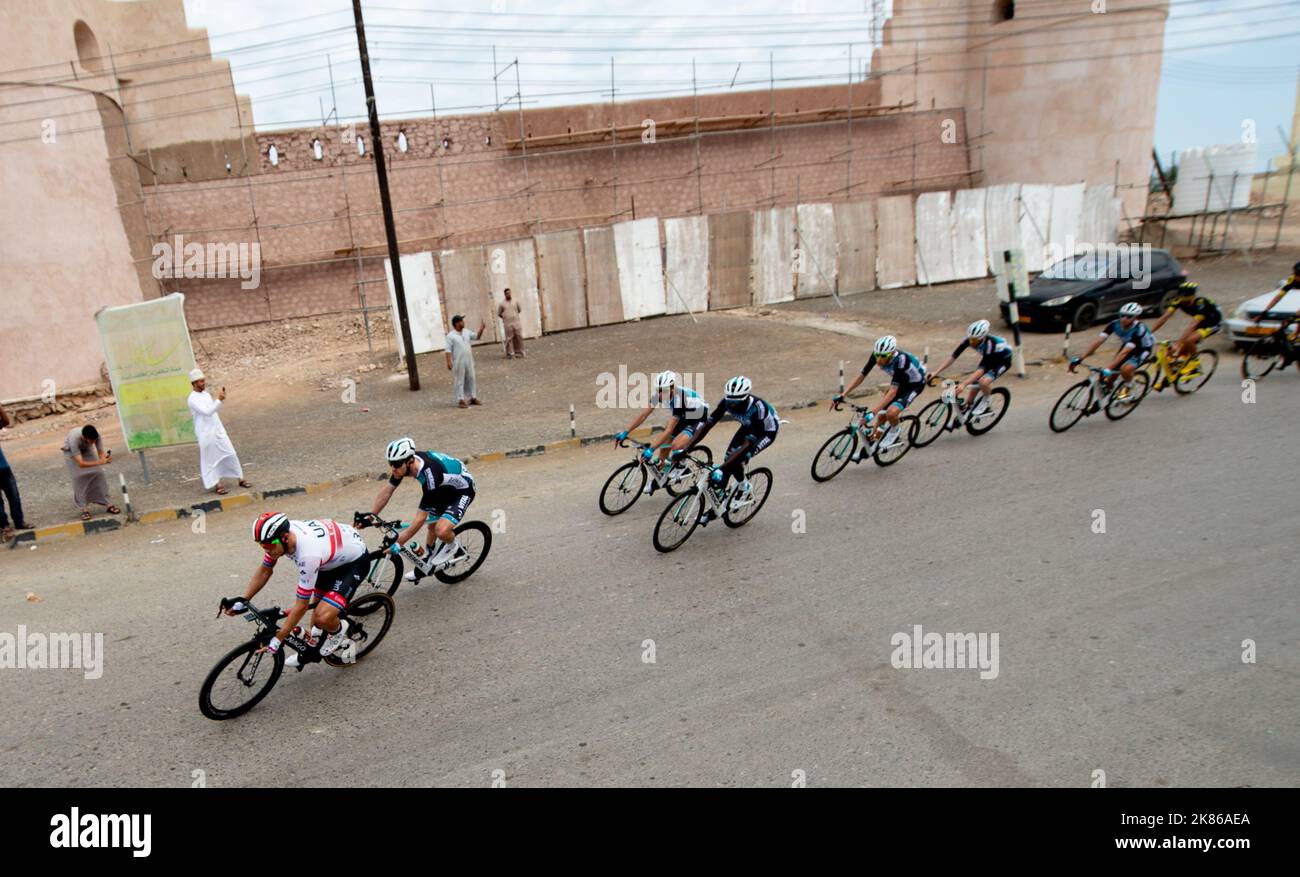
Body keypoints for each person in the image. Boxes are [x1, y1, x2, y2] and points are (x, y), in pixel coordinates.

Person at [229, 512, 370, 665]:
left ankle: (338, 630)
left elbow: (301, 605)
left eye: (269, 545)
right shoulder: (279, 537)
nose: (266, 550)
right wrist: (244, 600)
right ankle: (310, 650)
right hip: (329, 559)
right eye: (262, 545)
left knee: (322, 617)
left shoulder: (307, 555)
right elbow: (265, 570)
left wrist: (278, 639)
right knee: (316, 620)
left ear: (285, 538)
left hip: (353, 562)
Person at [363, 437, 475, 582]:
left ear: (409, 461)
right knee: (431, 526)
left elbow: (420, 518)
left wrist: (399, 542)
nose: (393, 468)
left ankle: (453, 545)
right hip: (443, 488)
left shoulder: (430, 476)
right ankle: (428, 559)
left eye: (396, 464)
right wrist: (372, 515)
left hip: (462, 490)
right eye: (391, 464)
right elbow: (388, 491)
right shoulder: (404, 465)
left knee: (440, 530)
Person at [684, 376, 777, 516]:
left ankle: (744, 487)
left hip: (764, 431)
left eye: (736, 401)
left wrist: (721, 469)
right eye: (730, 400)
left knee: (736, 460)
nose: (732, 404)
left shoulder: (757, 409)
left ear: (746, 397)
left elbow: (747, 445)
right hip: (748, 426)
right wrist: (687, 448)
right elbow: (707, 425)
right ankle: (721, 500)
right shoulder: (726, 402)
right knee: (728, 459)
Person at [615, 371, 710, 496]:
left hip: (698, 416)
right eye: (658, 390)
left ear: (672, 387)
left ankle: (682, 466)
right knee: (664, 449)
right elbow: (644, 415)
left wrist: (651, 449)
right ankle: (661, 478)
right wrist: (626, 431)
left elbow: (669, 430)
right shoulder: (658, 395)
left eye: (664, 390)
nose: (661, 393)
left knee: (676, 445)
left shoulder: (679, 399)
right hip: (684, 415)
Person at [834, 335, 926, 462]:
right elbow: (862, 375)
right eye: (877, 355)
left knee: (891, 412)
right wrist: (843, 394)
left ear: (892, 353)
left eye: (883, 357)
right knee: (881, 417)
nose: (879, 359)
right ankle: (870, 447)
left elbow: (892, 392)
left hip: (914, 385)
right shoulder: (878, 354)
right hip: (900, 383)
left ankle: (895, 430)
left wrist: (872, 412)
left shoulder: (901, 360)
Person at [926, 320, 1012, 425]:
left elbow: (982, 369)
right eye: (971, 339)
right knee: (974, 384)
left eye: (975, 340)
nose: (972, 342)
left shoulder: (991, 344)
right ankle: (968, 409)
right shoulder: (970, 339)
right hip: (989, 359)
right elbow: (953, 357)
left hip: (1002, 361)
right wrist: (936, 372)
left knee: (983, 382)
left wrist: (963, 384)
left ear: (983, 337)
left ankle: (986, 401)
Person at [187, 368, 252, 496]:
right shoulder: (192, 399)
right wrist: (219, 400)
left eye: (203, 381)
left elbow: (213, 411)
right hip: (206, 434)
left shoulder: (205, 395)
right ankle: (218, 485)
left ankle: (240, 478)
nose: (203, 383)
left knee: (230, 453)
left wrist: (218, 401)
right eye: (200, 382)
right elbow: (207, 412)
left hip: (217, 430)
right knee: (211, 460)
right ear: (194, 384)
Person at [1069, 301, 1154, 392]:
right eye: (1122, 315)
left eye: (1129, 316)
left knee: (1125, 370)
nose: (1124, 319)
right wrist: (1081, 358)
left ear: (1136, 317)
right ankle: (1108, 392)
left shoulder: (1139, 329)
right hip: (1128, 345)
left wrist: (1108, 368)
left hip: (1142, 349)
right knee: (1112, 373)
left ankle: (1130, 385)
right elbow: (1099, 341)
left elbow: (1124, 352)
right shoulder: (1114, 324)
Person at [1149, 281, 1222, 363]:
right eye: (1182, 300)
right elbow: (1165, 317)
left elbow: (1192, 326)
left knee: (1188, 341)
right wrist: (1149, 332)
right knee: (1182, 349)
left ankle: (1195, 362)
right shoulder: (1179, 300)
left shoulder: (1200, 304)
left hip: (1213, 323)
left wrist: (1177, 344)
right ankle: (1182, 363)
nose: (1183, 303)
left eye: (1186, 302)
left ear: (1192, 297)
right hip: (1201, 321)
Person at [60, 424, 120, 520]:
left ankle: (107, 504)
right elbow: (81, 464)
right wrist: (99, 462)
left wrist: (105, 459)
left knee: (98, 473)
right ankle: (84, 509)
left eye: (95, 440)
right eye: (91, 441)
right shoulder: (74, 439)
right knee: (78, 477)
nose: (93, 443)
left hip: (86, 449)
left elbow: (101, 453)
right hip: (71, 452)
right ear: (83, 437)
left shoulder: (96, 437)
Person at [0, 405, 32, 540]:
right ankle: (4, 526)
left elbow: (6, 422)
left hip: (4, 468)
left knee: (14, 496)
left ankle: (19, 521)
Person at [445, 314, 486, 408]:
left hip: (469, 360)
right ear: (456, 324)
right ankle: (461, 399)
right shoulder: (450, 336)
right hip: (459, 361)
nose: (463, 322)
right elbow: (448, 350)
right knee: (460, 380)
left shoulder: (466, 332)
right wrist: (449, 361)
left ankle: (473, 397)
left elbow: (476, 337)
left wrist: (481, 329)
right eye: (461, 321)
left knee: (471, 378)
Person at [498, 287, 525, 359]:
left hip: (516, 322)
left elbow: (519, 310)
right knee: (509, 339)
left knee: (519, 336)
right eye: (507, 293)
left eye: (509, 293)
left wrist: (514, 316)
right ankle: (511, 353)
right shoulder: (502, 304)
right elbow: (499, 314)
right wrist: (506, 318)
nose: (508, 294)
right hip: (508, 324)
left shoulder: (516, 301)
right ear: (505, 294)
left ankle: (521, 352)